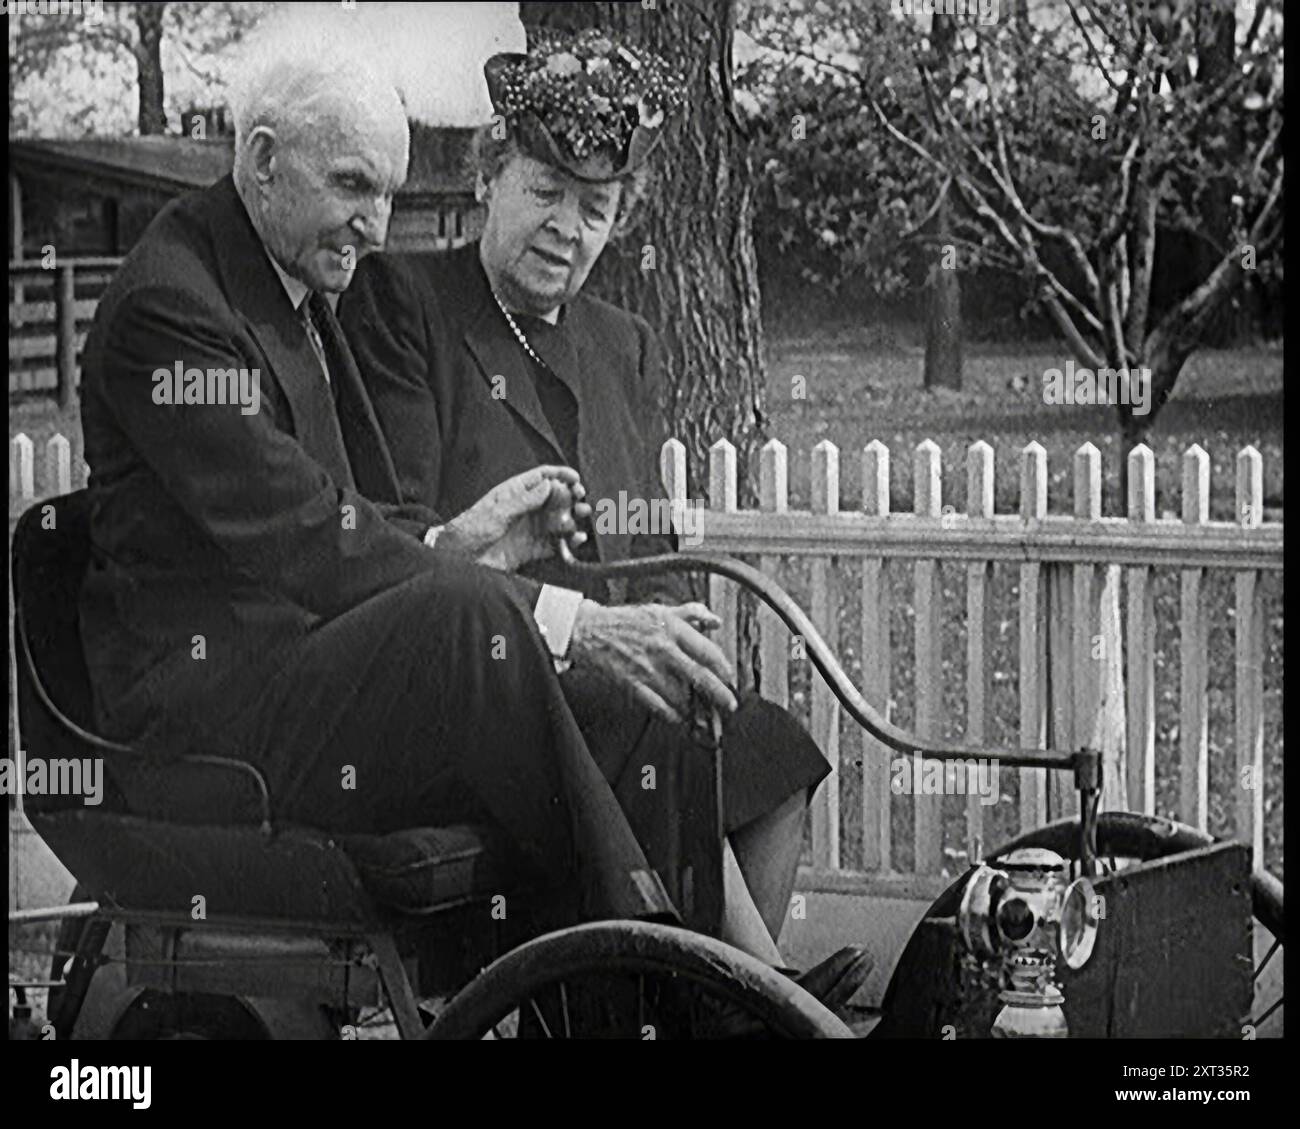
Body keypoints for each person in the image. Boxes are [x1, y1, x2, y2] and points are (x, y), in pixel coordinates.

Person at [75, 27, 702, 932]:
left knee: (627, 684)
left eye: (390, 193)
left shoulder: (291, 273)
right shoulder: (171, 309)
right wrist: (569, 618)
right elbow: (304, 535)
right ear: (262, 161)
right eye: (352, 186)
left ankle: (668, 973)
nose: (376, 224)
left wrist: (456, 540)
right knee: (472, 617)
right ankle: (658, 966)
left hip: (297, 676)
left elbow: (335, 514)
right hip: (206, 724)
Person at [340, 29, 871, 1007]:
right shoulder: (404, 302)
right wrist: (583, 635)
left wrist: (675, 622)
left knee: (769, 744)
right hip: (470, 687)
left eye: (596, 209)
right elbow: (401, 534)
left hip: (609, 689)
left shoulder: (618, 342)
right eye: (545, 192)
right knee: (643, 711)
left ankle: (705, 1000)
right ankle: (759, 992)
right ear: (487, 176)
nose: (566, 229)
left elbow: (643, 545)